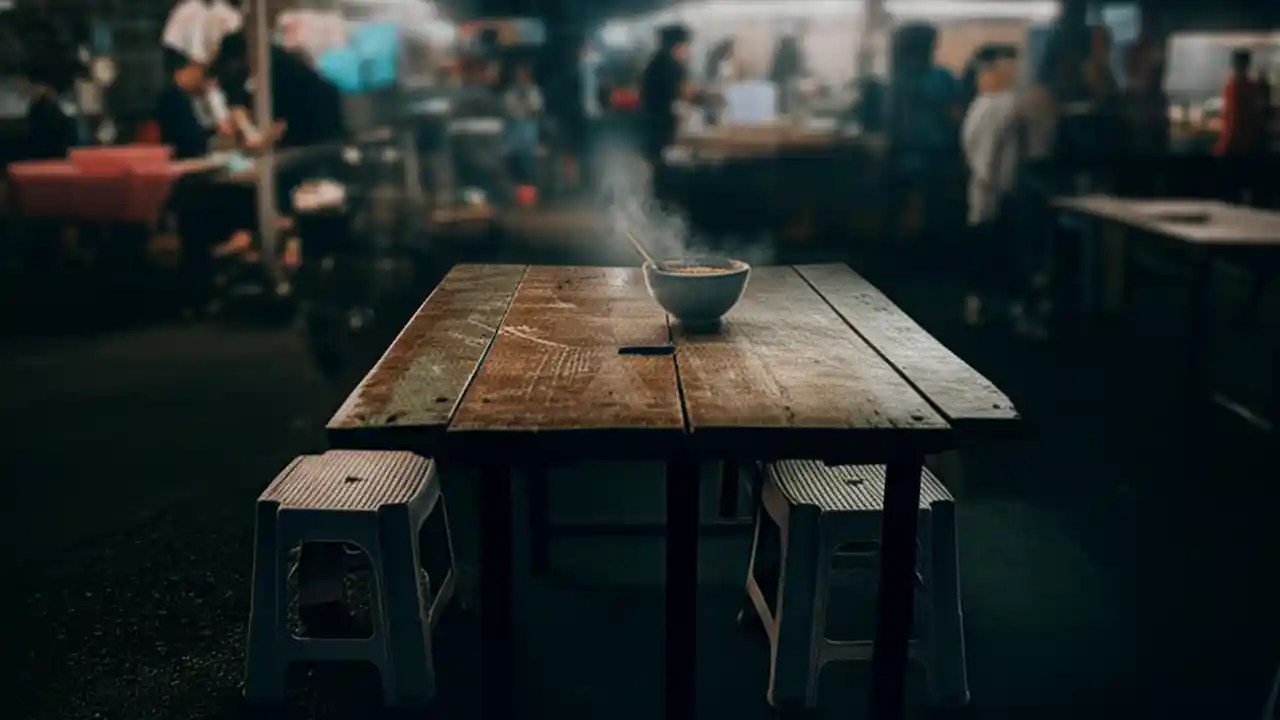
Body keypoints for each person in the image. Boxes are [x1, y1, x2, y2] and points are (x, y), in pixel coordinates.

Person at [961, 44, 1021, 326]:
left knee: (988, 245)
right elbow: (985, 157)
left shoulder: (997, 103)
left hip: (992, 189)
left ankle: (983, 306)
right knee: (989, 246)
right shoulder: (995, 104)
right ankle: (984, 307)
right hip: (994, 190)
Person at [640, 25, 694, 201]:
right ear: (677, 45)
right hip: (664, 124)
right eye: (685, 45)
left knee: (658, 165)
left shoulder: (654, 62)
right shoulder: (671, 65)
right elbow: (684, 94)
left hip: (651, 123)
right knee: (668, 164)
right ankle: (666, 200)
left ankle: (659, 198)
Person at [155, 52, 211, 160]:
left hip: (188, 153)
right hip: (181, 155)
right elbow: (187, 132)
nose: (198, 78)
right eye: (195, 72)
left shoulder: (187, 96)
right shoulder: (173, 97)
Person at [1215, 49, 1267, 157]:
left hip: (1236, 144)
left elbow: (1233, 120)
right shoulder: (1250, 86)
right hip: (1247, 144)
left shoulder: (1232, 86)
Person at [503, 61, 544, 188]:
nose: (521, 78)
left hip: (528, 130)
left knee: (528, 160)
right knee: (513, 159)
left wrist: (527, 105)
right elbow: (508, 110)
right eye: (519, 76)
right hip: (513, 131)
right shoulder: (510, 92)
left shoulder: (533, 91)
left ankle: (532, 187)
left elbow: (535, 109)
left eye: (523, 75)